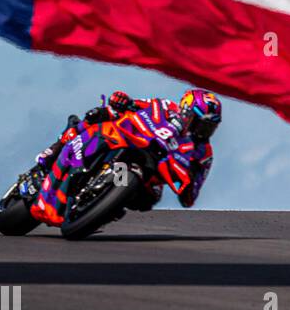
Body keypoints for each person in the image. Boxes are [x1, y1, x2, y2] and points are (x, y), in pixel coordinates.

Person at [29, 89, 221, 225]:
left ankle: (101, 206)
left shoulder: (203, 152)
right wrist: (121, 101)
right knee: (96, 116)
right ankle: (52, 153)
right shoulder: (163, 107)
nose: (203, 131)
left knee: (148, 199)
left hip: (150, 172)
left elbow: (189, 198)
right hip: (125, 141)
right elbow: (131, 104)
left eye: (210, 127)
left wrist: (191, 176)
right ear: (186, 111)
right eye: (200, 124)